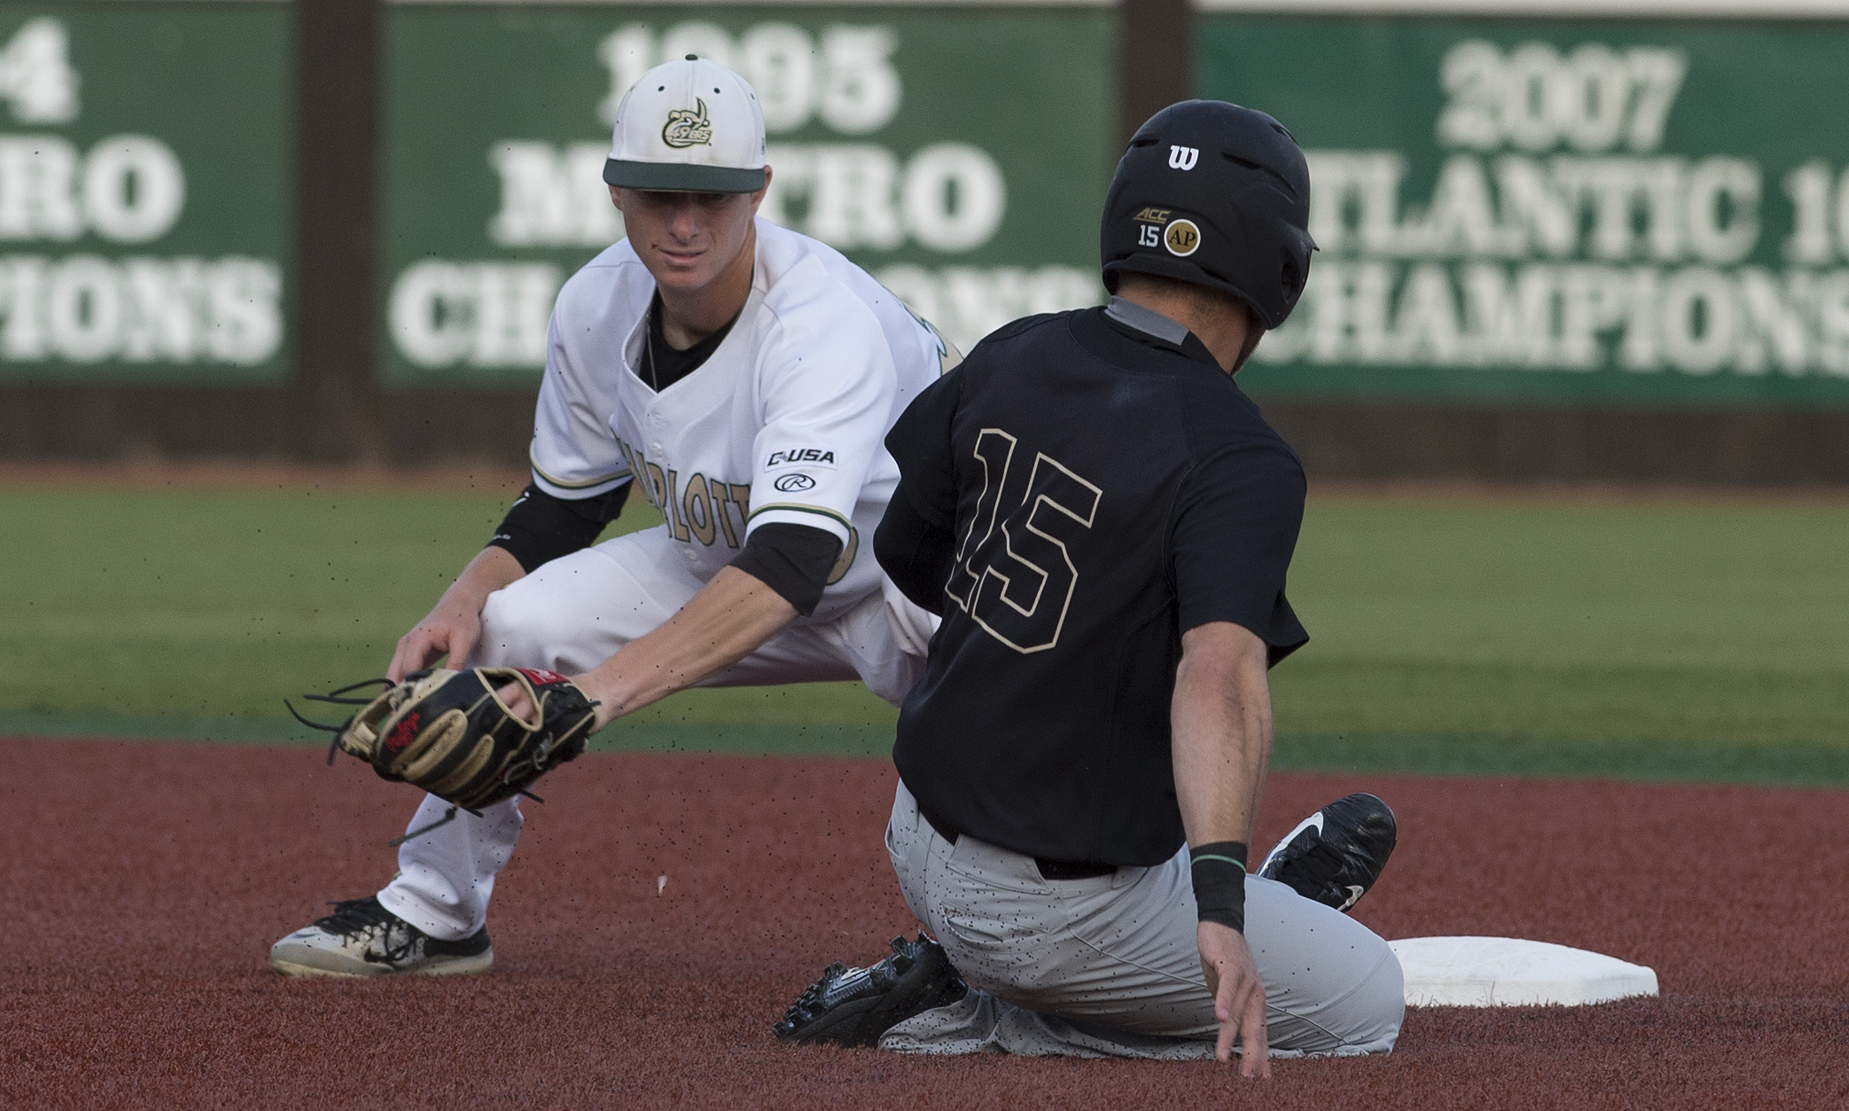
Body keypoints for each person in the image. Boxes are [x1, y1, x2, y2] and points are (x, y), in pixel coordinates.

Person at [269, 56, 946, 977]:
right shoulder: (596, 303)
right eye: (661, 194)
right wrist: (461, 601)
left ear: (759, 191)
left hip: (914, 581)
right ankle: (434, 909)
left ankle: (996, 948)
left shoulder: (821, 324)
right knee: (512, 624)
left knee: (1009, 703)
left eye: (713, 196)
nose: (685, 223)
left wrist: (594, 694)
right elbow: (566, 502)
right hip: (726, 564)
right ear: (616, 190)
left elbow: (791, 561)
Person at [773, 101, 1406, 1072]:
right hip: (1051, 917)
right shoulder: (1239, 455)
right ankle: (984, 1015)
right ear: (1279, 265)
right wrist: (1222, 912)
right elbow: (1219, 675)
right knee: (1368, 1003)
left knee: (1135, 759)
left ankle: (1018, 957)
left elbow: (905, 554)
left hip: (916, 834)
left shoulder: (1014, 349)